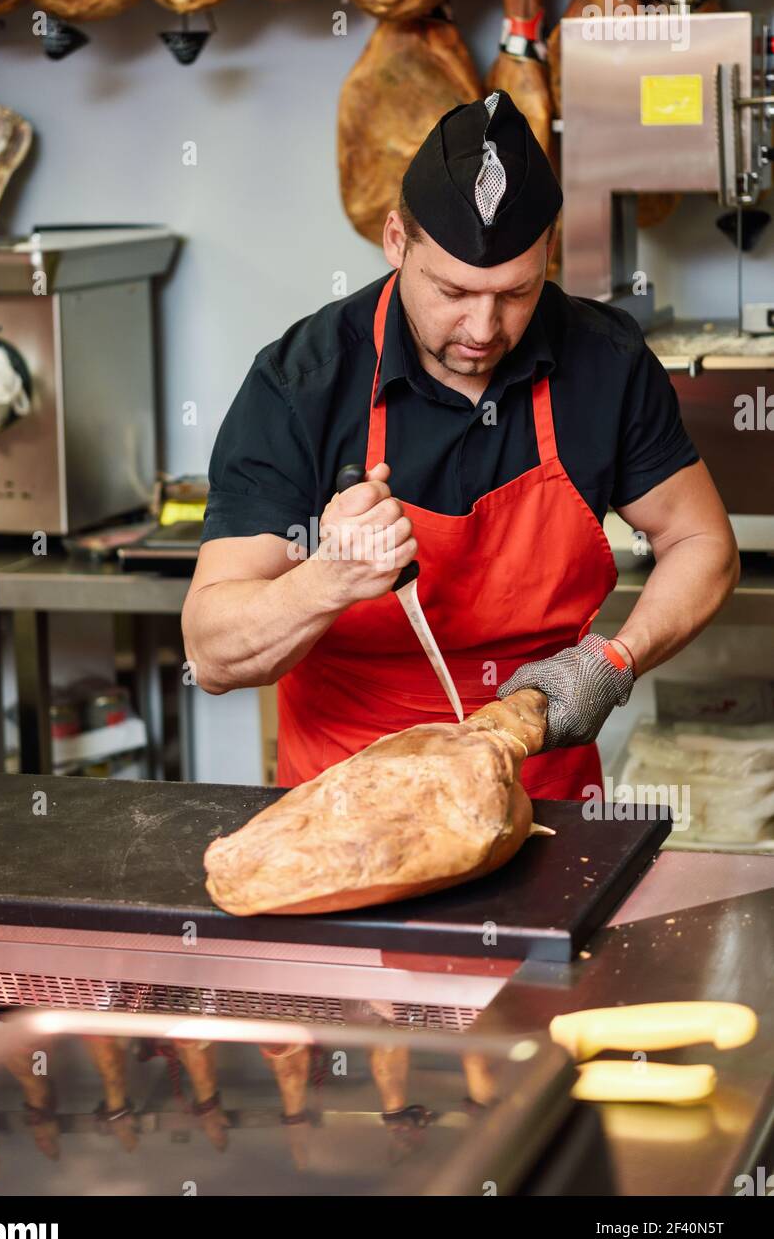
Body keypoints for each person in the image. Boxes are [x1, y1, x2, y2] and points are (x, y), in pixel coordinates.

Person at [182, 92, 738, 796]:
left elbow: (702, 545)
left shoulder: (604, 359)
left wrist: (611, 662)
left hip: (540, 787)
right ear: (395, 241)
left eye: (515, 293)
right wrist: (327, 580)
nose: (482, 327)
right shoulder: (302, 381)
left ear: (548, 256)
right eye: (451, 291)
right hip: (347, 799)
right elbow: (212, 654)